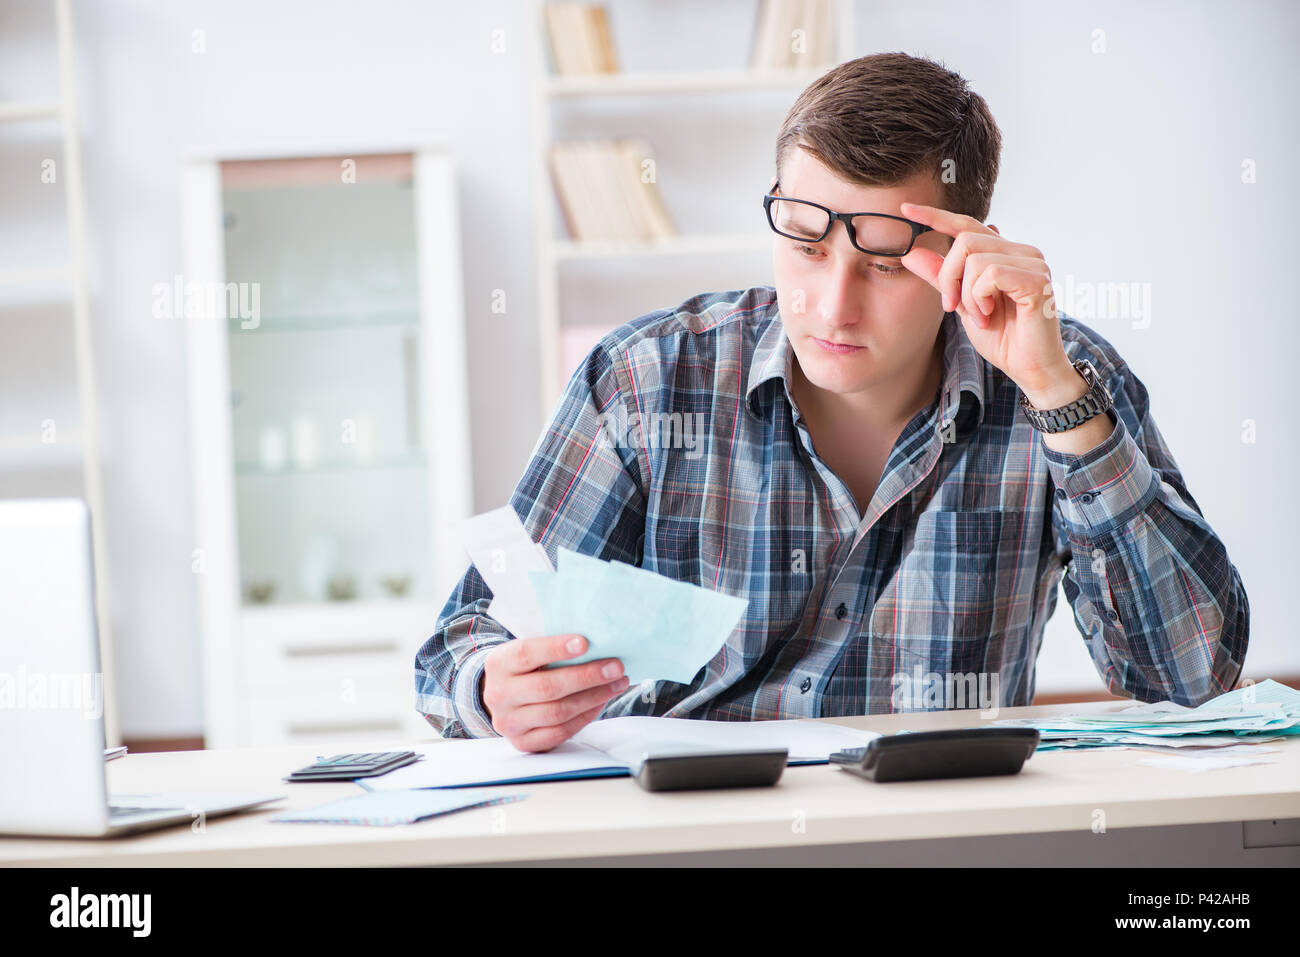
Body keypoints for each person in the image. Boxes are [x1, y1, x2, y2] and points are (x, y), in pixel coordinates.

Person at [415, 52, 1249, 752]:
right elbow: (461, 643)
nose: (832, 304)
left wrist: (1057, 397)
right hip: (683, 834)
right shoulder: (648, 379)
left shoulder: (1061, 379)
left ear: (968, 252)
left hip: (941, 838)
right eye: (806, 247)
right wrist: (493, 689)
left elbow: (1187, 677)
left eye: (884, 263)